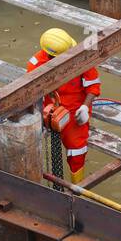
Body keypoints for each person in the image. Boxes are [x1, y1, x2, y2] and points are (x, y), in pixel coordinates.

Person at [27, 28, 98, 183]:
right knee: (28, 144)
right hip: (48, 110)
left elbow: (93, 87)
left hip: (75, 111)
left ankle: (77, 187)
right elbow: (32, 92)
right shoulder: (36, 63)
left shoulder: (82, 59)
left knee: (77, 149)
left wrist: (85, 107)